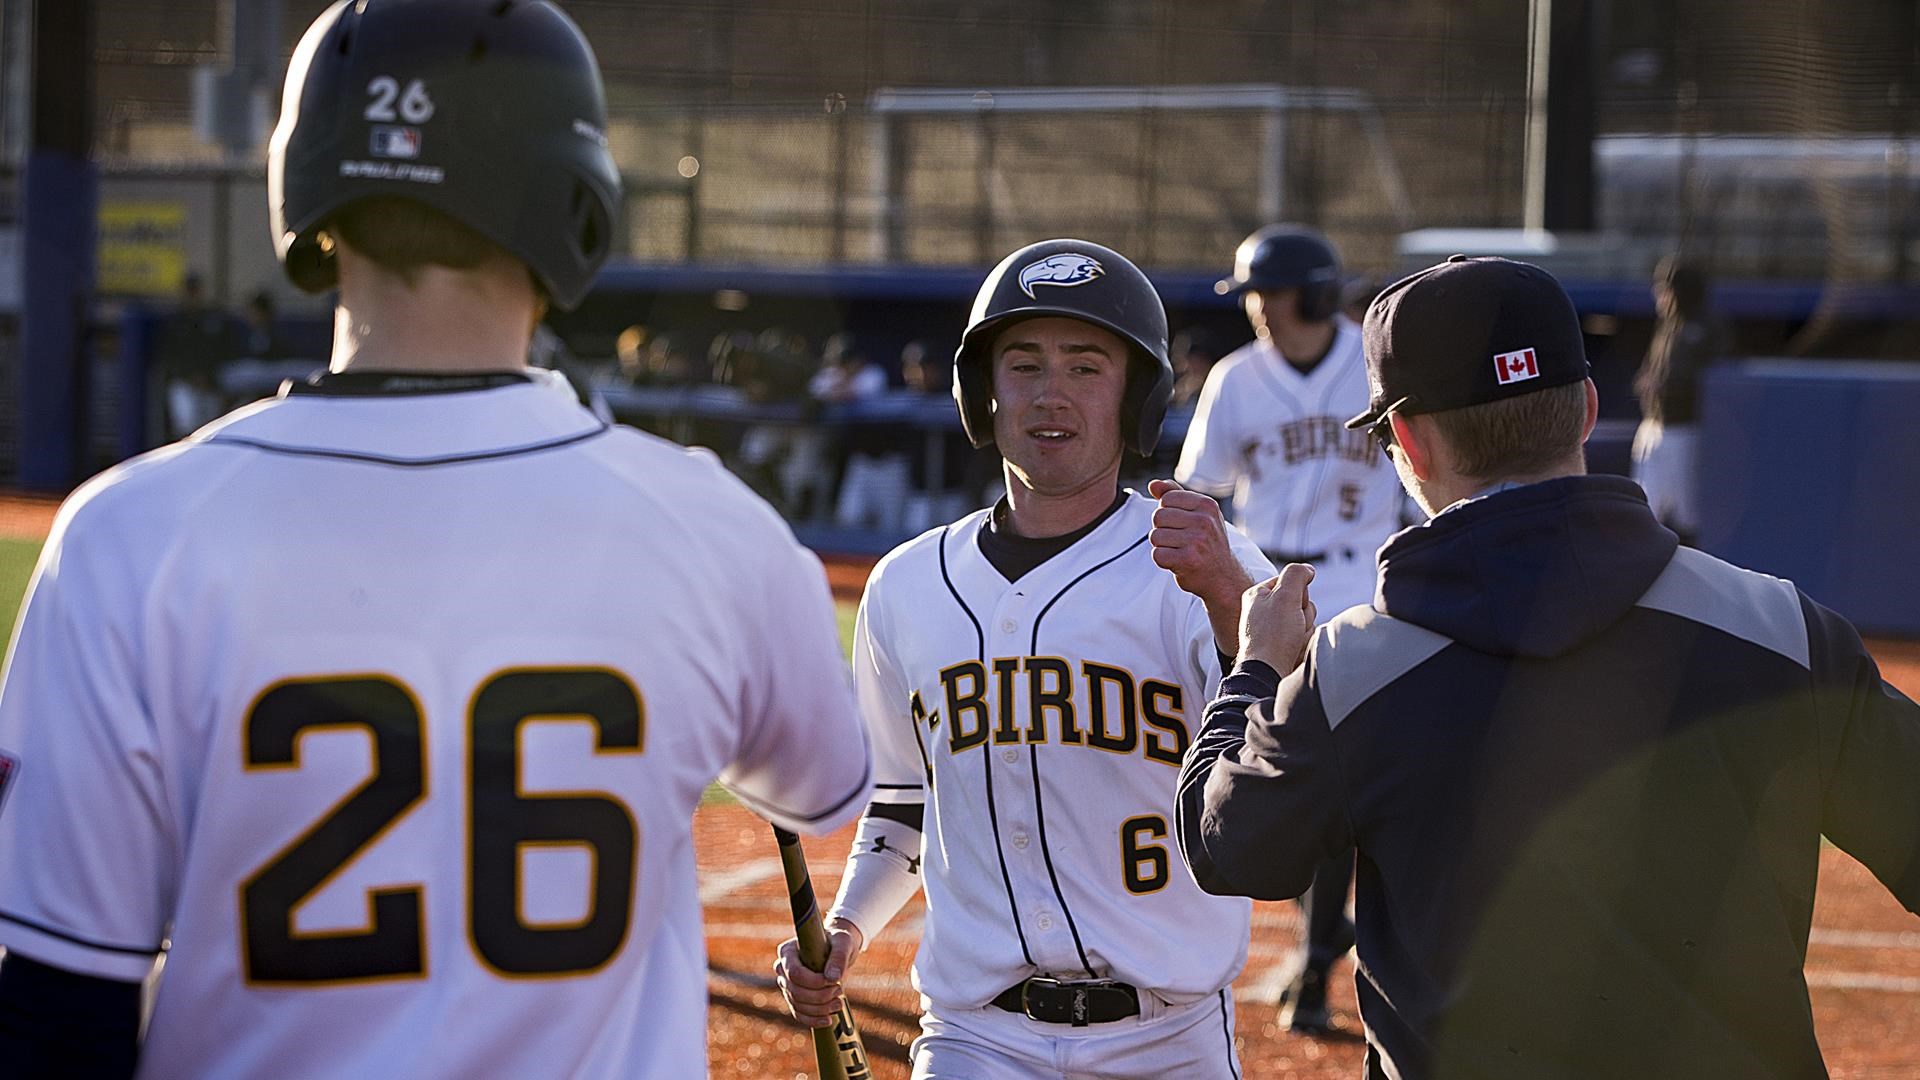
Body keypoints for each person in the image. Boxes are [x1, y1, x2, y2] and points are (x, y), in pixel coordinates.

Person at [0, 4, 871, 1078]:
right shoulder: (710, 526)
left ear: (305, 187)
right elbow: (826, 783)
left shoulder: (123, 536)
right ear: (577, 201)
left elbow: (56, 1012)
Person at [1177, 255, 1920, 1080]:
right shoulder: (1779, 626)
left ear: (1411, 444)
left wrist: (1251, 671)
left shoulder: (1352, 670)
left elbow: (1232, 850)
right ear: (1588, 407)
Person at [774, 239, 1275, 1078]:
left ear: (1136, 397)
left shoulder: (1207, 564)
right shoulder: (906, 585)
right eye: (1023, 363)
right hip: (977, 1037)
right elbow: (902, 802)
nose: (1051, 394)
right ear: (983, 392)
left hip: (1168, 1040)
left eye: (1087, 367)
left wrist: (1228, 604)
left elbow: (1283, 771)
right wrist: (850, 928)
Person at [1174, 223, 1402, 1033]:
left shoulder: (1375, 362)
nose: (1259, 310)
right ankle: (1321, 932)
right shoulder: (1237, 378)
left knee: (1340, 762)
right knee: (1279, 755)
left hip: (1359, 577)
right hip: (1264, 584)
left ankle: (1316, 957)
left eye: (1269, 293)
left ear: (1311, 291)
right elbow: (1201, 486)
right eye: (1252, 297)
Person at [1631, 255, 1725, 542]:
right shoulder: (1668, 327)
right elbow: (1650, 371)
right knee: (1644, 506)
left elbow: (1709, 379)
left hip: (1685, 429)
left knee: (1686, 512)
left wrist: (1667, 386)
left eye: (1665, 289)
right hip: (1653, 424)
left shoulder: (1705, 326)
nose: (1659, 296)